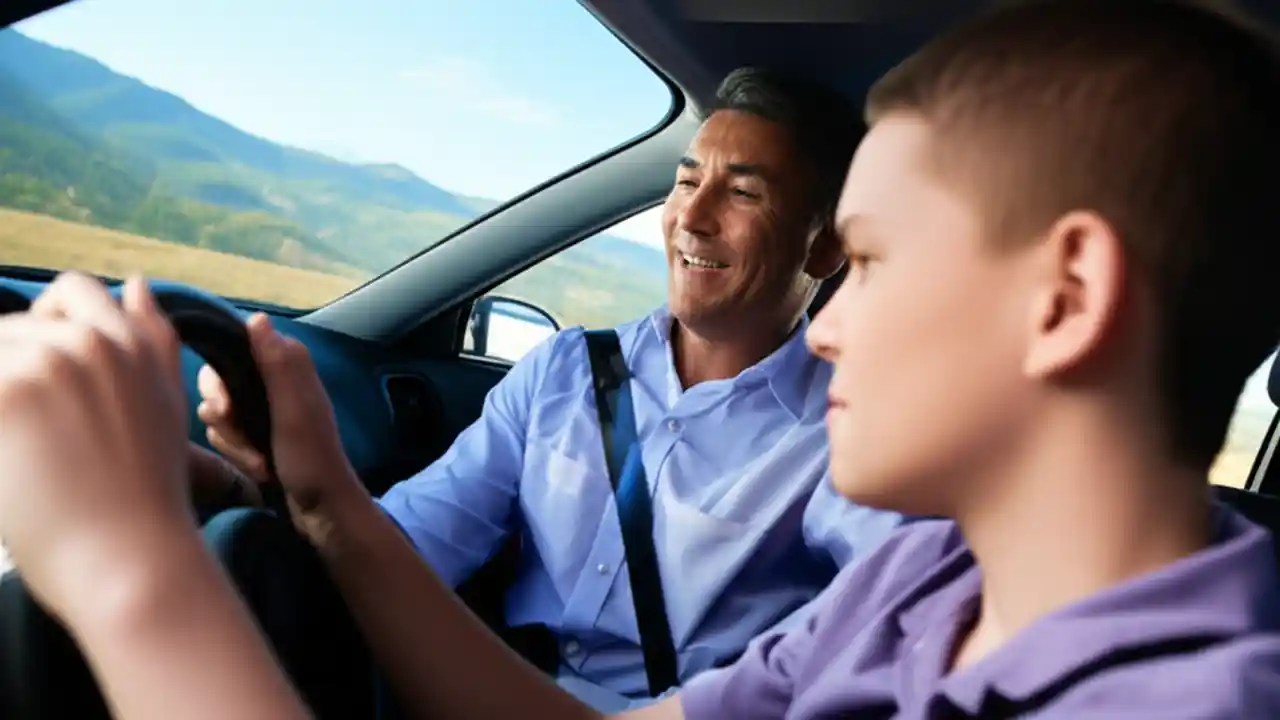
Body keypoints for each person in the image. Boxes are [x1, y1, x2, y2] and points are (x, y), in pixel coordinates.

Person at [2, 0, 1279, 718]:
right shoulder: (920, 597)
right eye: (685, 182)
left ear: (1062, 298)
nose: (828, 323)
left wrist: (128, 579)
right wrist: (308, 496)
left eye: (875, 260)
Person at [199, 66, 905, 711]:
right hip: (481, 693)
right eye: (688, 181)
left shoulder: (845, 435)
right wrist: (265, 488)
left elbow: (901, 635)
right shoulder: (563, 372)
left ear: (823, 247)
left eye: (744, 192)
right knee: (247, 557)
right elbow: (409, 545)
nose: (692, 215)